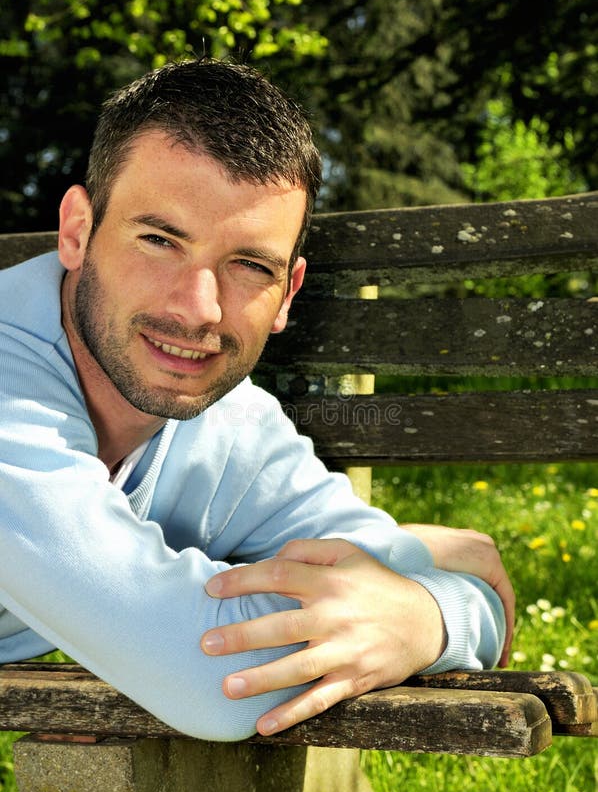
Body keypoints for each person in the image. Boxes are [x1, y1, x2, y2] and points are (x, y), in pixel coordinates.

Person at [0, 59, 513, 741]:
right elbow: (216, 682)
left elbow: (387, 574)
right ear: (76, 231)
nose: (199, 309)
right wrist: (434, 608)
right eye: (160, 240)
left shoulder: (234, 425)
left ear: (288, 292)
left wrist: (429, 609)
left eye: (249, 266)